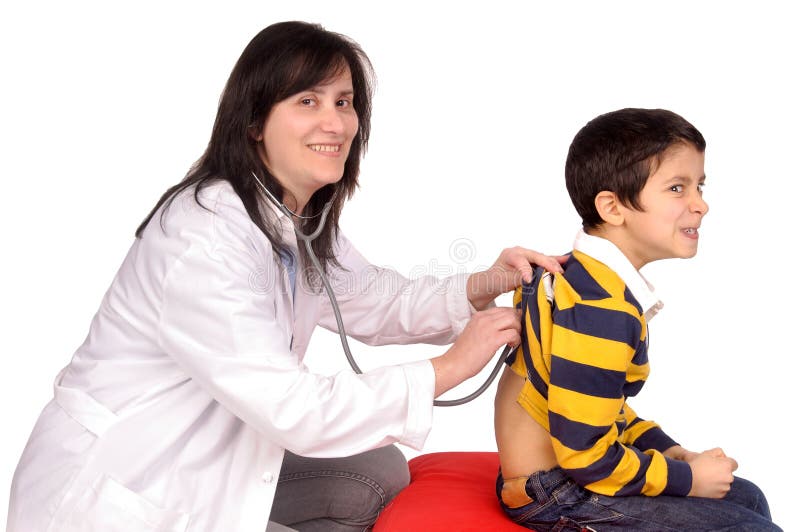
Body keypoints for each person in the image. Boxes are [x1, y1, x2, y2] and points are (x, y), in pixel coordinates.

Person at [6, 21, 564, 532]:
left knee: (377, 470)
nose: (336, 122)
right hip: (125, 487)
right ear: (253, 122)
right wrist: (451, 366)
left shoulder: (289, 217)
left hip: (209, 450)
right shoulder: (203, 238)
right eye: (308, 100)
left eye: (344, 102)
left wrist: (484, 284)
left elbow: (373, 299)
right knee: (360, 465)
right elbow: (298, 411)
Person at [493, 108, 781, 531]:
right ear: (612, 207)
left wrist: (670, 451)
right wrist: (687, 480)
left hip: (561, 476)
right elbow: (587, 456)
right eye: (677, 188)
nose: (701, 204)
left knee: (748, 496)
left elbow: (598, 409)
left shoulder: (584, 274)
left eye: (699, 186)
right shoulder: (601, 309)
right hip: (557, 494)